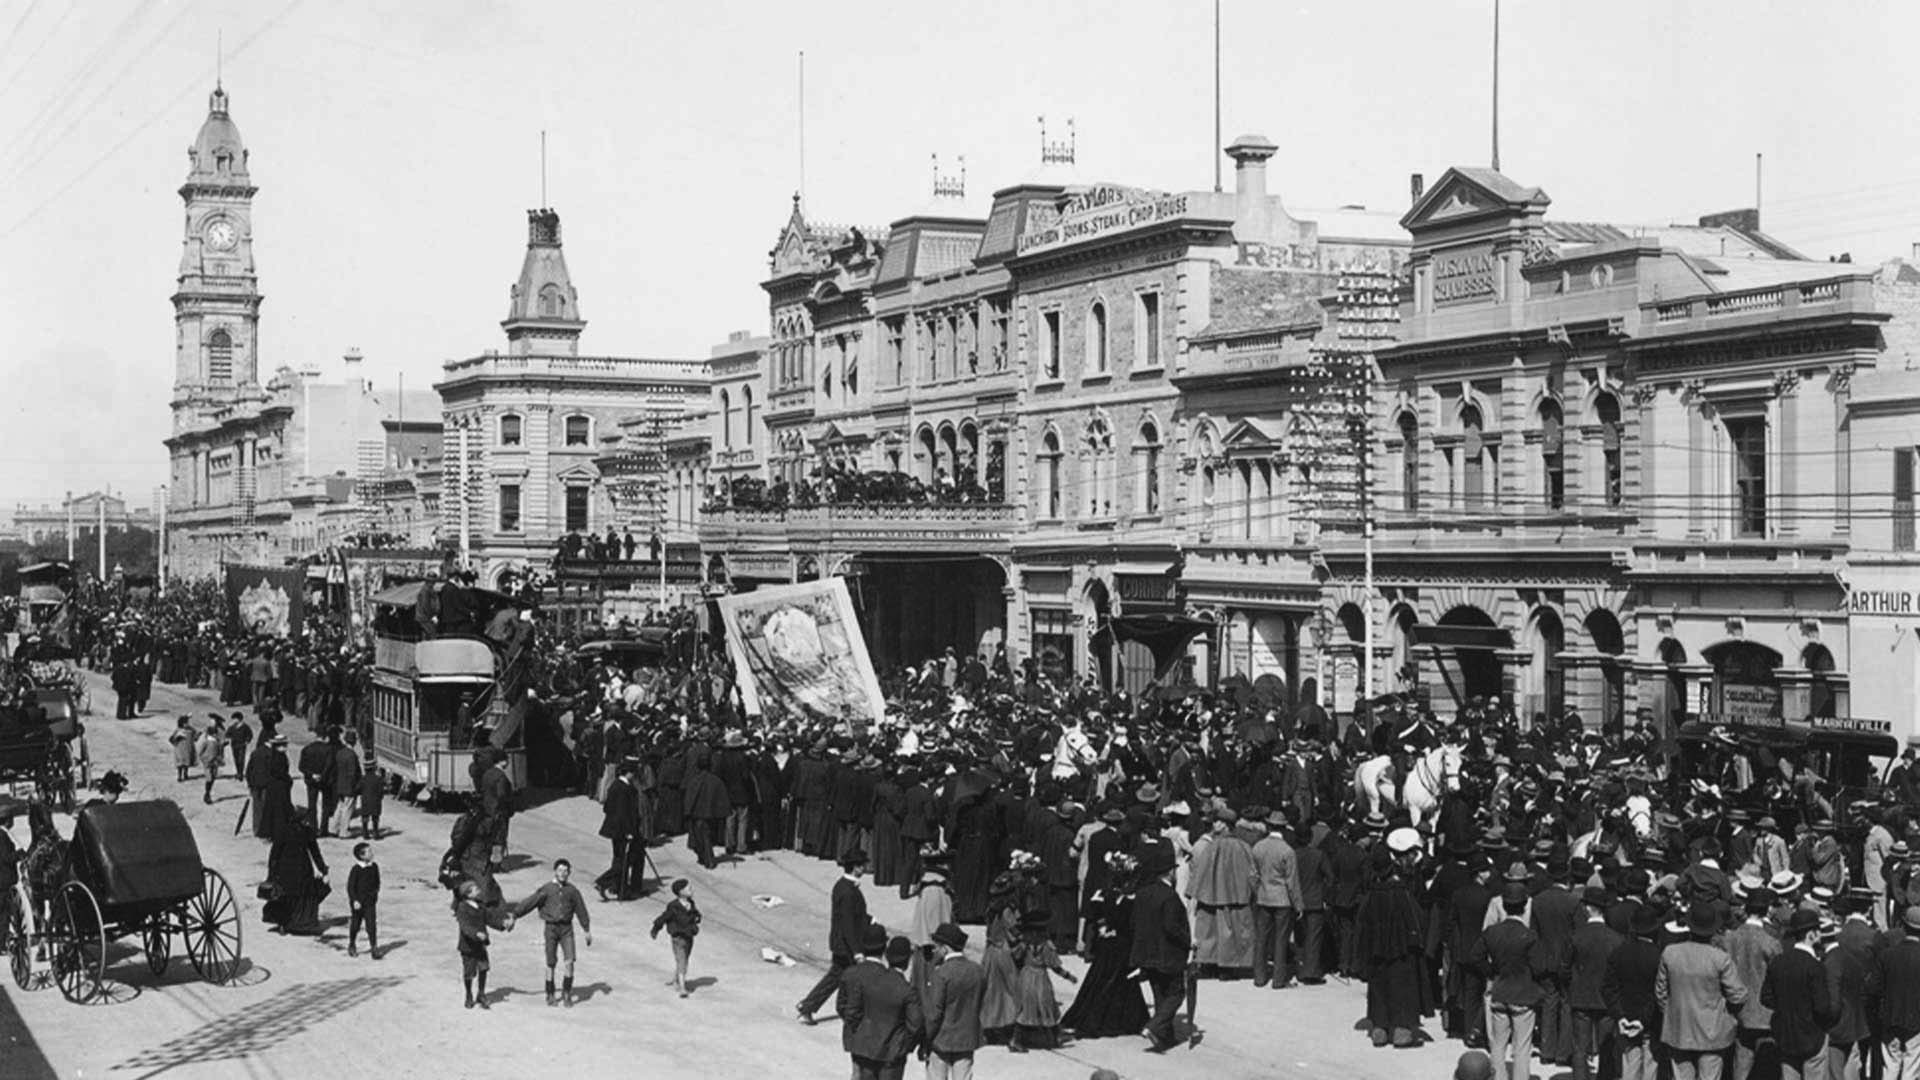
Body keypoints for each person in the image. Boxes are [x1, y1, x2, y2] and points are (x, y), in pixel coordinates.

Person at [1657, 904, 1751, 1080]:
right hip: (1712, 1031)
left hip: (1679, 1028)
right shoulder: (1720, 958)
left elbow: (1661, 993)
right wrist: (1727, 1013)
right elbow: (1738, 994)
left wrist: (1673, 1011)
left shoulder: (1670, 953)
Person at [1472, 885, 1548, 1080]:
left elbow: (1475, 957)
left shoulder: (1491, 932)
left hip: (1500, 991)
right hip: (1523, 995)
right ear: (1524, 907)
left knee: (1497, 1045)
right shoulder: (1529, 936)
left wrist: (1491, 973)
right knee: (1521, 1048)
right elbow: (1539, 968)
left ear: (1504, 906)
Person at [1130, 840, 1191, 1053]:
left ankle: (1165, 1036)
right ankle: (1154, 1026)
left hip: (1146, 952)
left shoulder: (1143, 893)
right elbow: (1172, 927)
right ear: (1169, 873)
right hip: (1167, 953)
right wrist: (1188, 943)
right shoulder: (1170, 897)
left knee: (1159, 993)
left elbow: (1134, 922)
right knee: (1176, 993)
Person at [797, 849, 871, 1024]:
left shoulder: (843, 886)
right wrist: (857, 951)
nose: (864, 868)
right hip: (846, 945)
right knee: (850, 979)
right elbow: (847, 923)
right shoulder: (848, 892)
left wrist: (870, 919)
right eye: (862, 865)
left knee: (835, 978)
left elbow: (853, 915)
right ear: (855, 868)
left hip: (842, 943)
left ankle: (808, 1006)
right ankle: (847, 1011)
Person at [1763, 908, 1837, 1080]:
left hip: (1786, 1035)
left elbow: (1765, 997)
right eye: (1818, 931)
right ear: (1811, 934)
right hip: (1813, 1036)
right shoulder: (1814, 966)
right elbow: (1822, 1007)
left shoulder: (1778, 962)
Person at [509, 858, 593, 1007]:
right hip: (551, 929)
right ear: (555, 871)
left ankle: (567, 993)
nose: (563, 873)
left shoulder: (572, 891)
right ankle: (550, 993)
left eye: (566, 871)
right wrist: (515, 914)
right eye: (560, 870)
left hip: (567, 929)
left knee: (570, 961)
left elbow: (581, 910)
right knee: (551, 962)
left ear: (569, 873)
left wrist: (586, 929)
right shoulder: (547, 889)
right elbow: (531, 902)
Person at [842, 935, 923, 1080]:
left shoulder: (870, 981)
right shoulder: (907, 990)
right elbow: (916, 1025)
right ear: (908, 961)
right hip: (892, 1056)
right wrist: (905, 1046)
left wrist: (860, 1035)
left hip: (866, 1050)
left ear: (887, 955)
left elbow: (852, 1010)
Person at [1567, 885, 1624, 1080]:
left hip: (1581, 996)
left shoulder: (1576, 936)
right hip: (1606, 1000)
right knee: (1606, 1048)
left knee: (1580, 1049)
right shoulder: (1616, 939)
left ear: (1588, 908)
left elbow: (1564, 968)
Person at [1606, 906, 1667, 1080]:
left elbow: (1608, 988)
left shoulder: (1619, 952)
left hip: (1626, 1016)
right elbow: (1658, 992)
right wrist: (1643, 1019)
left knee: (1630, 1063)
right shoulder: (1659, 956)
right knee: (1650, 1063)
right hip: (1652, 1019)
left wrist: (1620, 1016)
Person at [922, 923, 985, 1080]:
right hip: (967, 1038)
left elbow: (934, 1014)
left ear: (945, 948)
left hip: (941, 1039)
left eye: (937, 946)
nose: (934, 950)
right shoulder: (977, 971)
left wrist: (926, 1039)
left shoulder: (941, 973)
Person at [1250, 808, 1303, 989]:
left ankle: (1259, 977)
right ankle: (1279, 980)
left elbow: (1253, 875)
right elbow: (1292, 881)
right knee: (1281, 940)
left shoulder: (1258, 847)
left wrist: (1257, 892)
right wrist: (1298, 904)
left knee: (1261, 938)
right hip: (1282, 900)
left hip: (1263, 897)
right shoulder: (1287, 851)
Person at [264, 809, 328, 935]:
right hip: (301, 868)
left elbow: (274, 854)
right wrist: (323, 869)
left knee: (286, 897)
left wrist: (271, 874)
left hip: (286, 870)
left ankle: (284, 924)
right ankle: (301, 924)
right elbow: (315, 852)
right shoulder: (306, 832)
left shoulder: (283, 830)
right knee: (301, 897)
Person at [456, 878, 511, 1009]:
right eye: (475, 889)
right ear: (468, 894)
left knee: (484, 968)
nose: (478, 890)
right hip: (468, 946)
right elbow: (465, 927)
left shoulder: (480, 906)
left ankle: (481, 994)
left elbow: (490, 919)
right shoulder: (462, 908)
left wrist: (502, 925)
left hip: (481, 945)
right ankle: (469, 994)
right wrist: (476, 934)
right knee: (469, 972)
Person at [1881, 905, 1920, 1080]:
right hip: (1916, 1020)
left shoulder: (1887, 955)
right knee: (1911, 1069)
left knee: (1890, 1066)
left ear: (1903, 927)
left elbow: (1874, 988)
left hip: (1890, 1018)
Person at [597, 758, 642, 901]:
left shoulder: (615, 785)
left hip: (613, 829)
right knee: (624, 860)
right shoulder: (624, 789)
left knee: (619, 858)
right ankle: (604, 881)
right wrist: (629, 831)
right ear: (629, 773)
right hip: (622, 830)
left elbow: (607, 808)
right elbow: (624, 813)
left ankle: (619, 887)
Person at [649, 878, 701, 998]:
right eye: (688, 888)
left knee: (684, 959)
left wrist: (698, 917)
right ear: (681, 891)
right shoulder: (673, 906)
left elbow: (695, 914)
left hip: (689, 936)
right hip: (678, 937)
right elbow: (664, 917)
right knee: (682, 960)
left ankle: (675, 978)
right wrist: (656, 929)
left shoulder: (691, 904)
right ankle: (682, 988)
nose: (691, 890)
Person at [347, 841, 381, 959]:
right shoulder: (356, 869)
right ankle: (352, 943)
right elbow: (350, 887)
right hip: (358, 903)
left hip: (370, 901)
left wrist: (375, 894)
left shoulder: (374, 867)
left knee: (371, 925)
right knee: (356, 924)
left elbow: (377, 882)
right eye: (369, 851)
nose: (372, 853)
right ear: (361, 855)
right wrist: (354, 900)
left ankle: (374, 947)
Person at [196, 717, 224, 805]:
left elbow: (220, 752)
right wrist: (204, 760)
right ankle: (207, 794)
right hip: (207, 762)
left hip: (215, 762)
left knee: (213, 778)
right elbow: (199, 752)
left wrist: (220, 759)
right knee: (209, 778)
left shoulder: (217, 742)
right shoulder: (206, 741)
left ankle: (208, 792)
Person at [169, 716, 194, 782]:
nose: (187, 724)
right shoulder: (177, 730)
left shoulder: (191, 730)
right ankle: (179, 776)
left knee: (186, 763)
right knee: (180, 764)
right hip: (179, 749)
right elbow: (171, 739)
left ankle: (185, 774)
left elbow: (196, 736)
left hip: (188, 749)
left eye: (187, 723)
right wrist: (178, 737)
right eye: (185, 723)